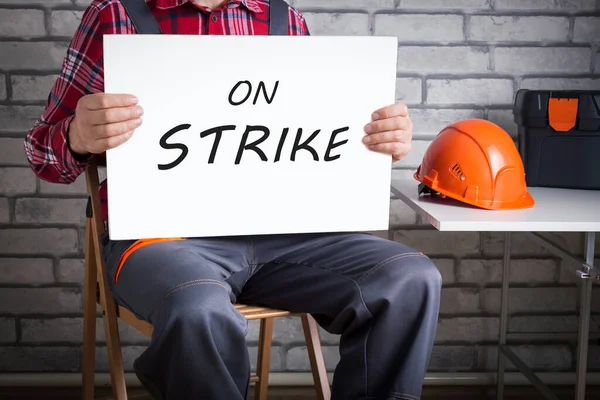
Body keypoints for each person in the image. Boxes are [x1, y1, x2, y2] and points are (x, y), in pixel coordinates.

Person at [24, 0, 442, 399]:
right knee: (197, 305)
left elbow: (313, 135)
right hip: (160, 238)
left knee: (409, 277)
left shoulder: (284, 19)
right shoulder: (115, 15)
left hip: (287, 234)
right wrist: (77, 135)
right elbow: (42, 154)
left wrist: (381, 140)